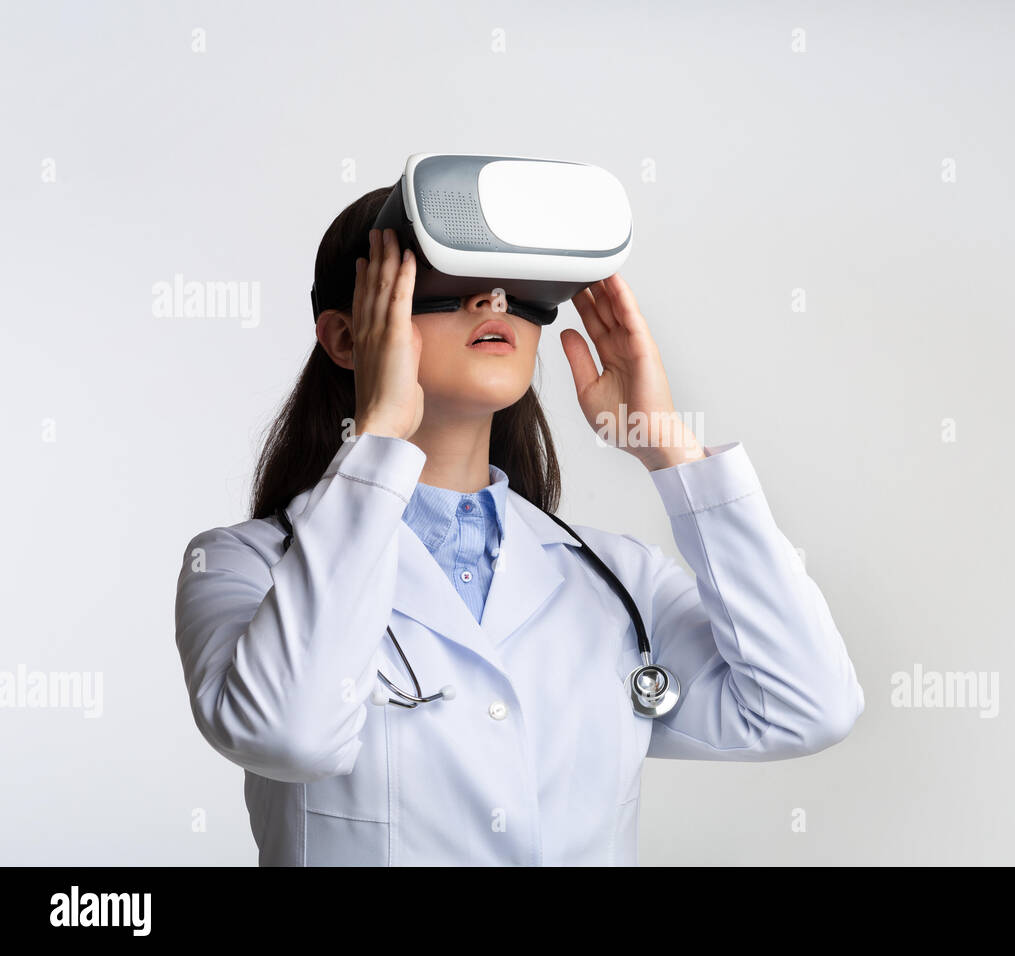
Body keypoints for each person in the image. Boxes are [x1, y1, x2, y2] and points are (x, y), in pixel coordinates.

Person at [173, 188, 865, 866]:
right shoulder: (243, 568)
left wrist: (666, 445)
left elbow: (806, 706)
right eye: (441, 274)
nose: (491, 300)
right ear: (348, 337)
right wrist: (379, 433)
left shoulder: (618, 581)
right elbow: (288, 737)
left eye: (510, 284)